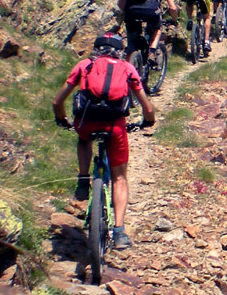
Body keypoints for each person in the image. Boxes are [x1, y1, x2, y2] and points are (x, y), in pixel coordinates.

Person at [52, 32, 156, 249]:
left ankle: (83, 179)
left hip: (86, 122)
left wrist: (61, 118)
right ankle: (119, 232)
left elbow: (57, 101)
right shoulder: (127, 68)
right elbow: (147, 107)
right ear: (119, 51)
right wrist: (148, 121)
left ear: (97, 48)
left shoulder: (85, 65)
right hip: (114, 127)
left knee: (83, 139)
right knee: (120, 178)